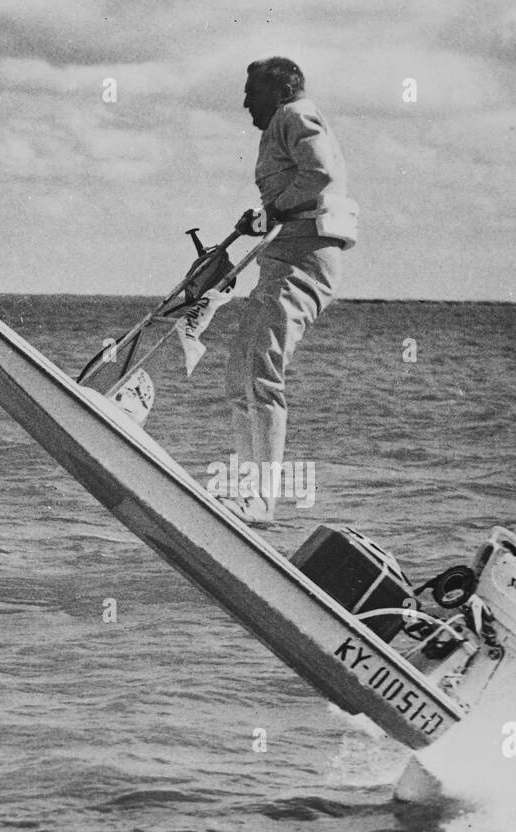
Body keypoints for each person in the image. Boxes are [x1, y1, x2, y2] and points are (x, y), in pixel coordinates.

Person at [220, 57, 358, 525]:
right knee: (241, 370)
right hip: (285, 256)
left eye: (251, 92)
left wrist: (274, 209)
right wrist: (265, 215)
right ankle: (246, 492)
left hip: (305, 257)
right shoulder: (282, 121)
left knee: (261, 370)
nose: (245, 102)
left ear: (279, 91)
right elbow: (299, 185)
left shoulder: (295, 114)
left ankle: (261, 500)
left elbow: (316, 173)